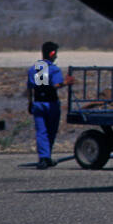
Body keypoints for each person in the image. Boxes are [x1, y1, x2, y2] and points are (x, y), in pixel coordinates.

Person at [27, 41, 67, 169]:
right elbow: (54, 86)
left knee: (41, 132)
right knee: (51, 131)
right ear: (52, 53)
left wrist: (30, 102)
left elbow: (32, 88)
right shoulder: (54, 69)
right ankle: (46, 156)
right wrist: (66, 82)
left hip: (38, 103)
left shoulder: (35, 68)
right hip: (51, 104)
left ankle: (44, 157)